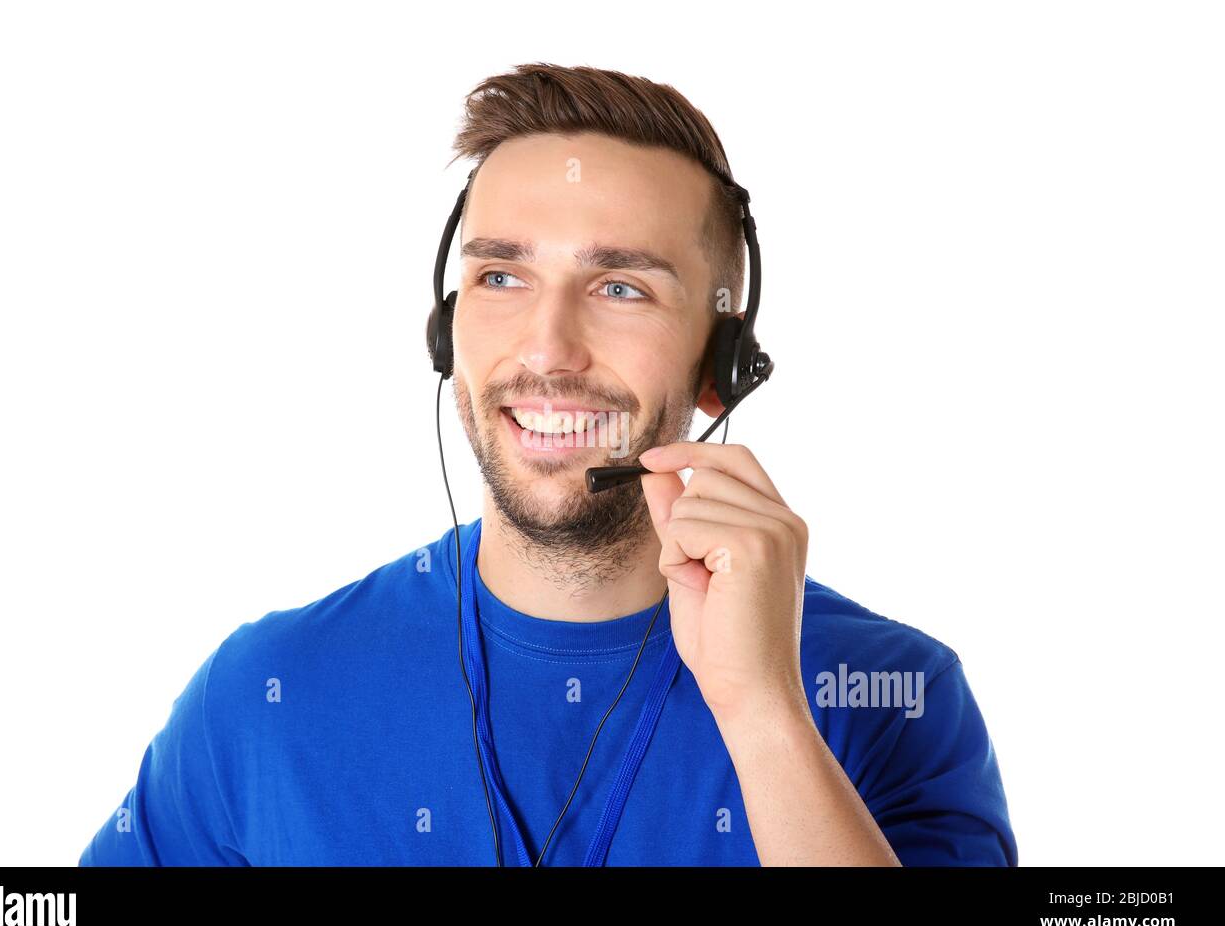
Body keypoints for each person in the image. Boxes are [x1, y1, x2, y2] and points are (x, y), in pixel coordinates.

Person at [79, 63, 1017, 867]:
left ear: (722, 365)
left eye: (620, 286)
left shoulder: (898, 696)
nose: (549, 348)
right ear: (446, 330)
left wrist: (765, 712)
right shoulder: (263, 694)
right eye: (501, 276)